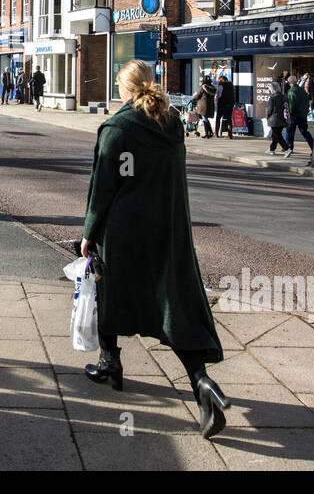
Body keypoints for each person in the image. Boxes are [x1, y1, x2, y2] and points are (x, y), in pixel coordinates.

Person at [80, 59, 228, 439]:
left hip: (125, 231)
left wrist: (89, 232)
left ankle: (110, 363)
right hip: (167, 229)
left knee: (107, 291)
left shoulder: (117, 127)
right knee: (172, 306)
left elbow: (103, 187)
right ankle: (201, 383)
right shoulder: (173, 124)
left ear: (127, 89)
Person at [285, 75, 314, 157]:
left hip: (294, 115)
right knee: (305, 132)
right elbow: (307, 103)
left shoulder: (291, 92)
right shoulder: (303, 91)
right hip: (302, 115)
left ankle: (289, 148)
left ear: (290, 83)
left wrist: (288, 115)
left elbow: (291, 105)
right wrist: (306, 112)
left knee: (290, 132)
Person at [265, 81, 288, 154]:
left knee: (277, 135)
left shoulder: (272, 98)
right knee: (275, 135)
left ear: (273, 89)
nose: (270, 91)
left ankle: (287, 149)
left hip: (274, 119)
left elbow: (269, 110)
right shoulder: (284, 96)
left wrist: (267, 117)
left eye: (270, 89)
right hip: (282, 119)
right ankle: (272, 149)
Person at [214, 73, 235, 138]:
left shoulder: (221, 86)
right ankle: (230, 134)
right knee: (229, 119)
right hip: (230, 104)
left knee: (218, 118)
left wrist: (215, 96)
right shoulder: (231, 85)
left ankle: (216, 134)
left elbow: (218, 95)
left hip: (222, 104)